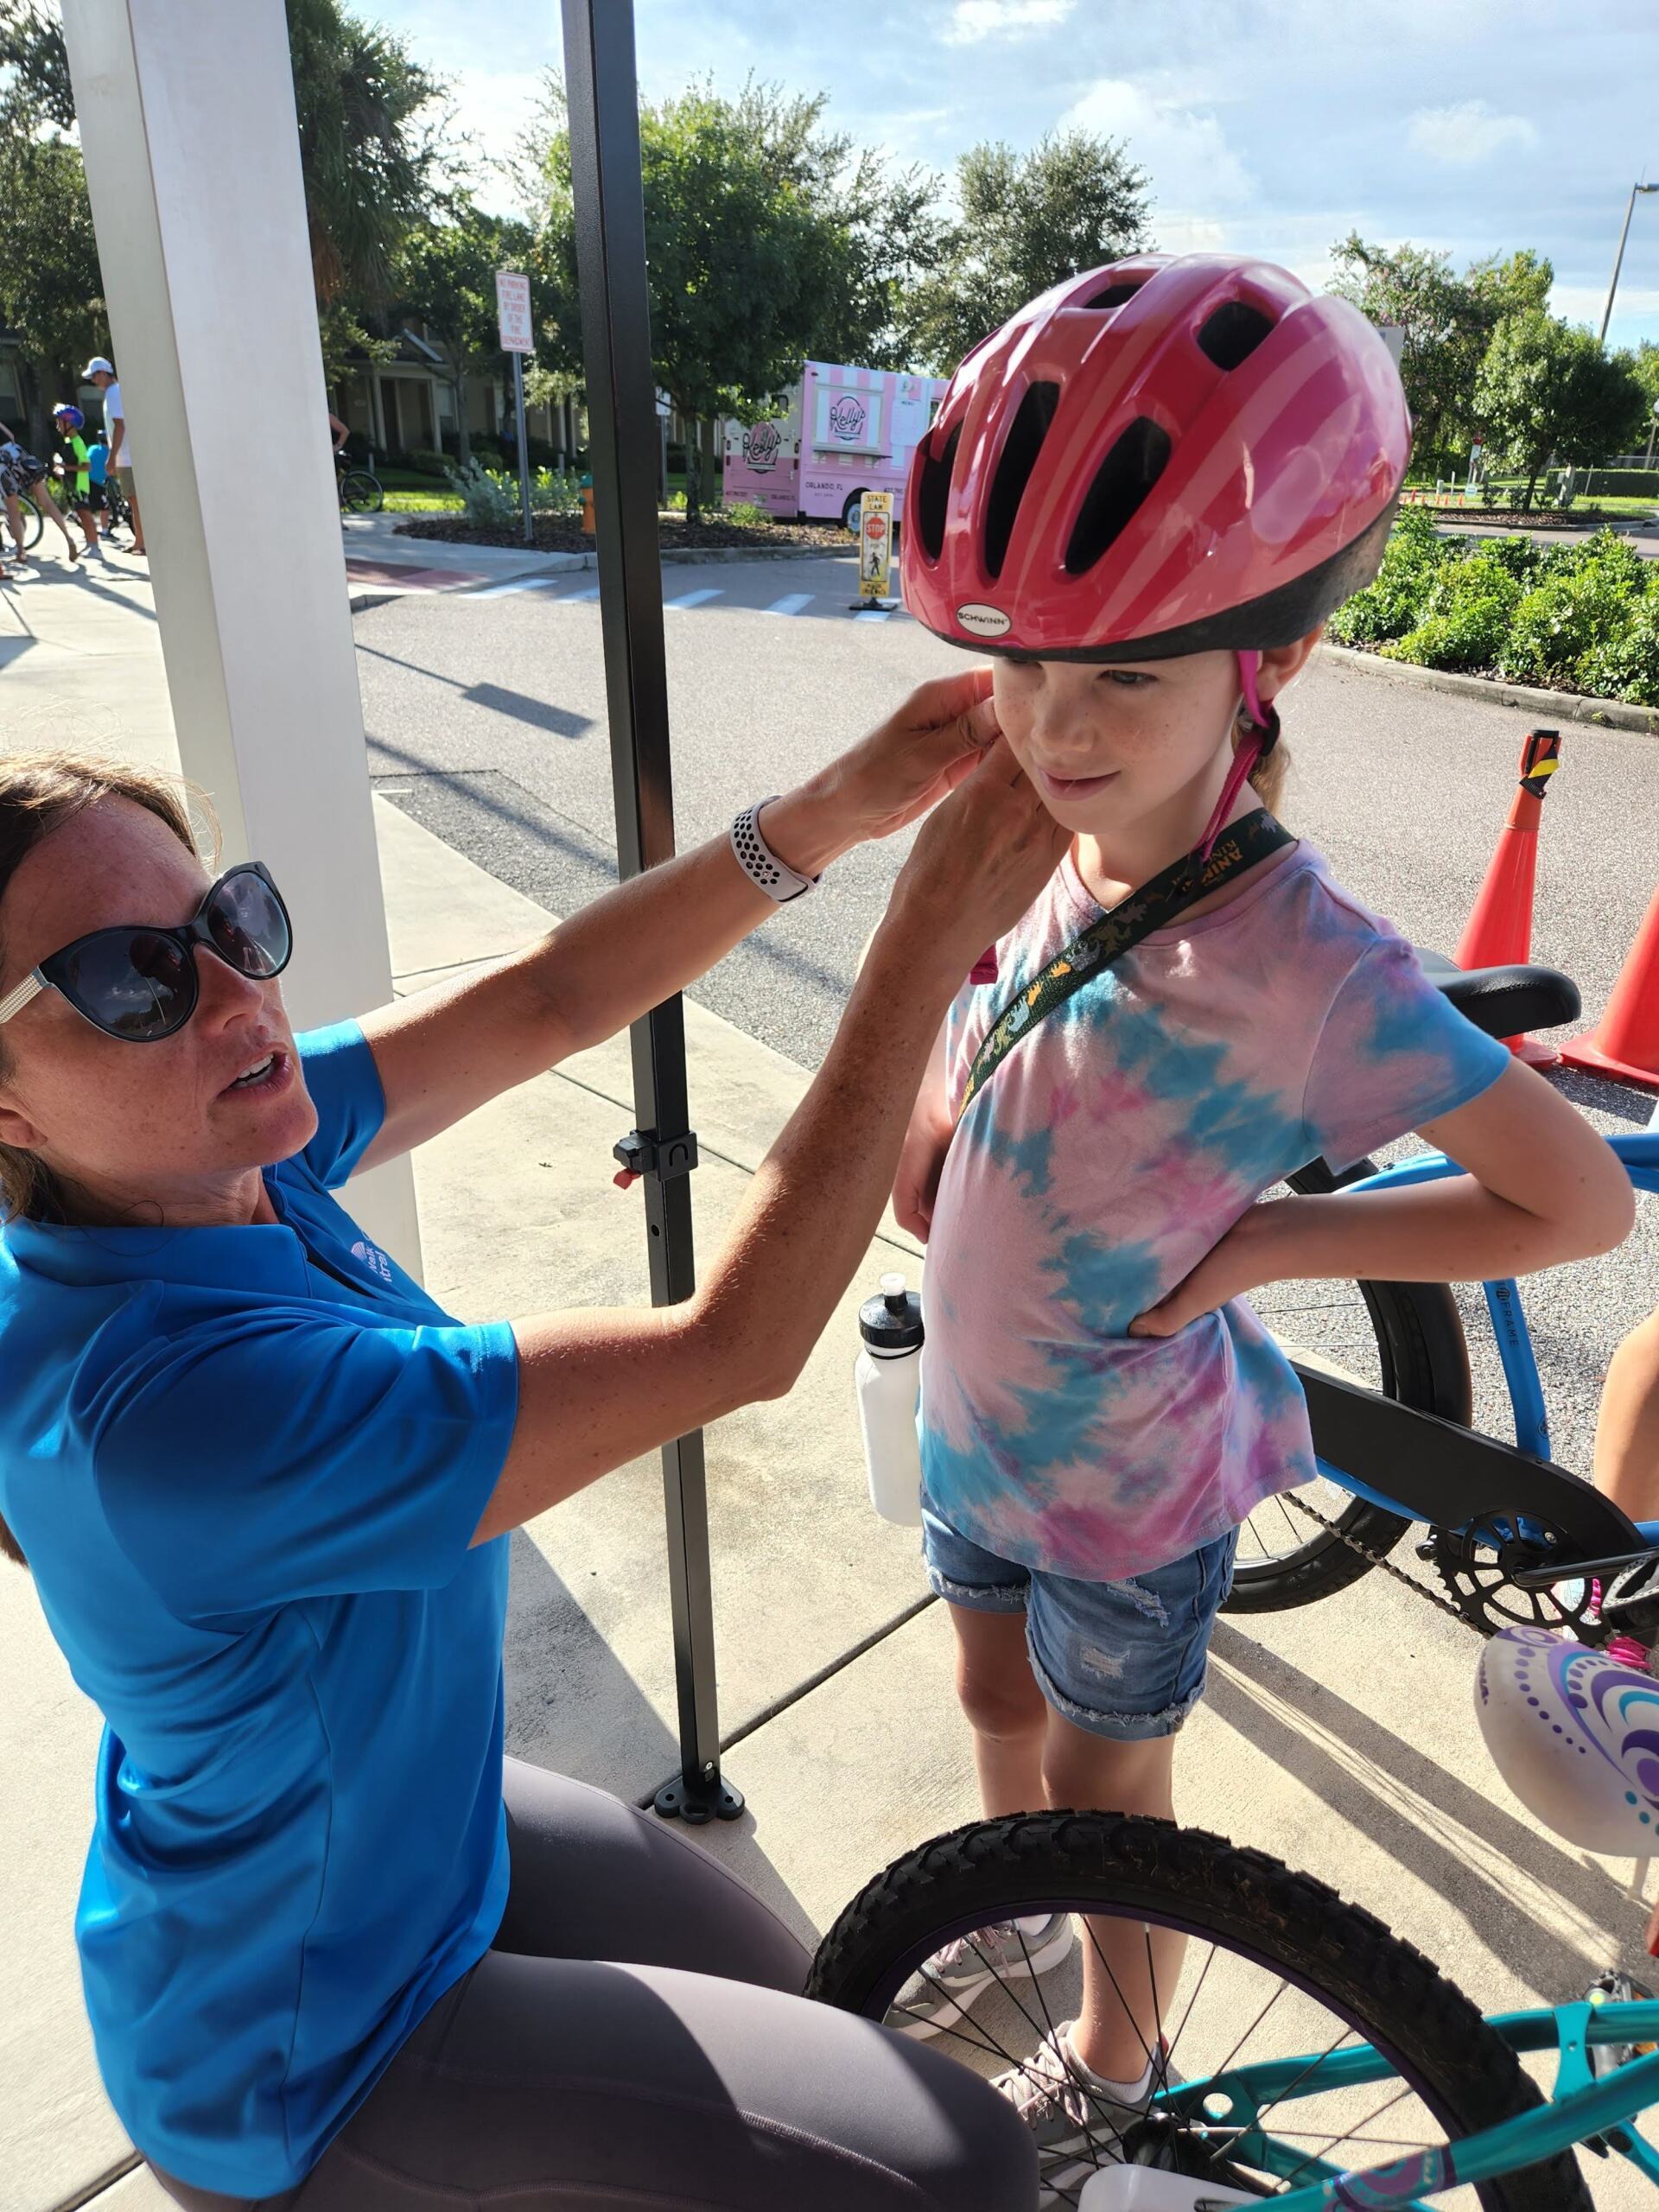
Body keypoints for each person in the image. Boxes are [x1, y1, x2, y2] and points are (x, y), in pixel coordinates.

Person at [0, 693, 1067, 2210]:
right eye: (133, 981)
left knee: (831, 2006)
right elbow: (732, 1346)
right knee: (957, 2164)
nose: (238, 996)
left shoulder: (219, 1159)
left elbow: (550, 998)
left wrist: (831, 809)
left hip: (407, 1822)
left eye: (228, 921)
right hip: (308, 2045)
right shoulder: (167, 1416)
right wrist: (921, 941)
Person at [887, 253, 1636, 2158]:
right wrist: (942, 1113)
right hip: (981, 1424)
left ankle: (1117, 2058)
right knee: (990, 1692)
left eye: (1123, 674)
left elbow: (1570, 1204)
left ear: (1265, 657)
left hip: (1132, 1484)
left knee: (1108, 1789)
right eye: (1022, 667)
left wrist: (1278, 1241)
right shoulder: (1054, 843)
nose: (1054, 725)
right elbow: (996, 1028)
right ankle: (1013, 1909)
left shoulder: (1308, 962)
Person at [82, 355, 144, 554]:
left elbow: (120, 425)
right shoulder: (114, 392)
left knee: (135, 500)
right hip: (126, 456)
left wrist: (112, 457)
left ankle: (142, 542)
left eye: (94, 376)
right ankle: (139, 540)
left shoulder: (114, 393)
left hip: (127, 456)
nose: (93, 381)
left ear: (103, 373)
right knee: (134, 500)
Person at [0, 418, 81, 565]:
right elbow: (11, 436)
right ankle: (69, 539)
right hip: (18, 453)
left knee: (13, 511)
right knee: (47, 502)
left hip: (3, 464)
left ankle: (21, 552)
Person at [51, 403, 105, 557]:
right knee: (81, 515)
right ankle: (90, 544)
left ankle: (95, 547)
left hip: (80, 485)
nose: (57, 426)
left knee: (86, 515)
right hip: (73, 485)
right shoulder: (69, 442)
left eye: (60, 422)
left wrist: (65, 467)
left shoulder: (77, 443)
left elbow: (87, 466)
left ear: (70, 423)